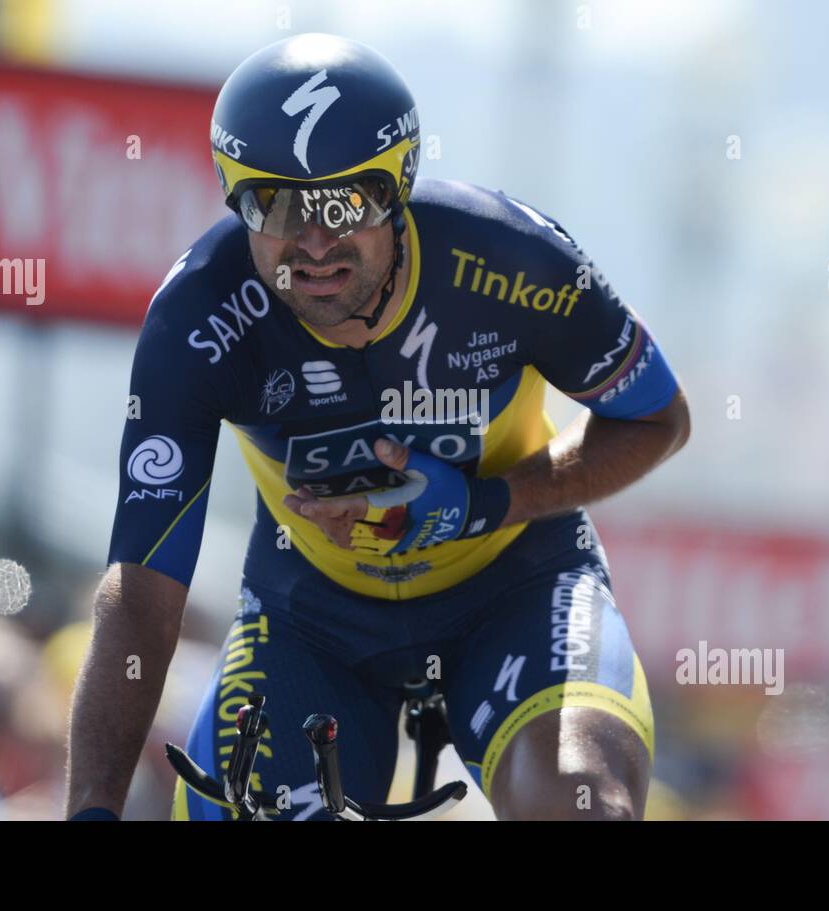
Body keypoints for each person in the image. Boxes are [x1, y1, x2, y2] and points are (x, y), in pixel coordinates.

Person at [66, 32, 690, 822]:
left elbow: (658, 419)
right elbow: (142, 597)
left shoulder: (513, 259)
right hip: (310, 614)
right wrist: (91, 808)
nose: (315, 241)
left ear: (398, 187)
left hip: (514, 579)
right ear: (233, 197)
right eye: (277, 205)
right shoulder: (196, 320)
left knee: (579, 803)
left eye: (345, 203)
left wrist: (485, 502)